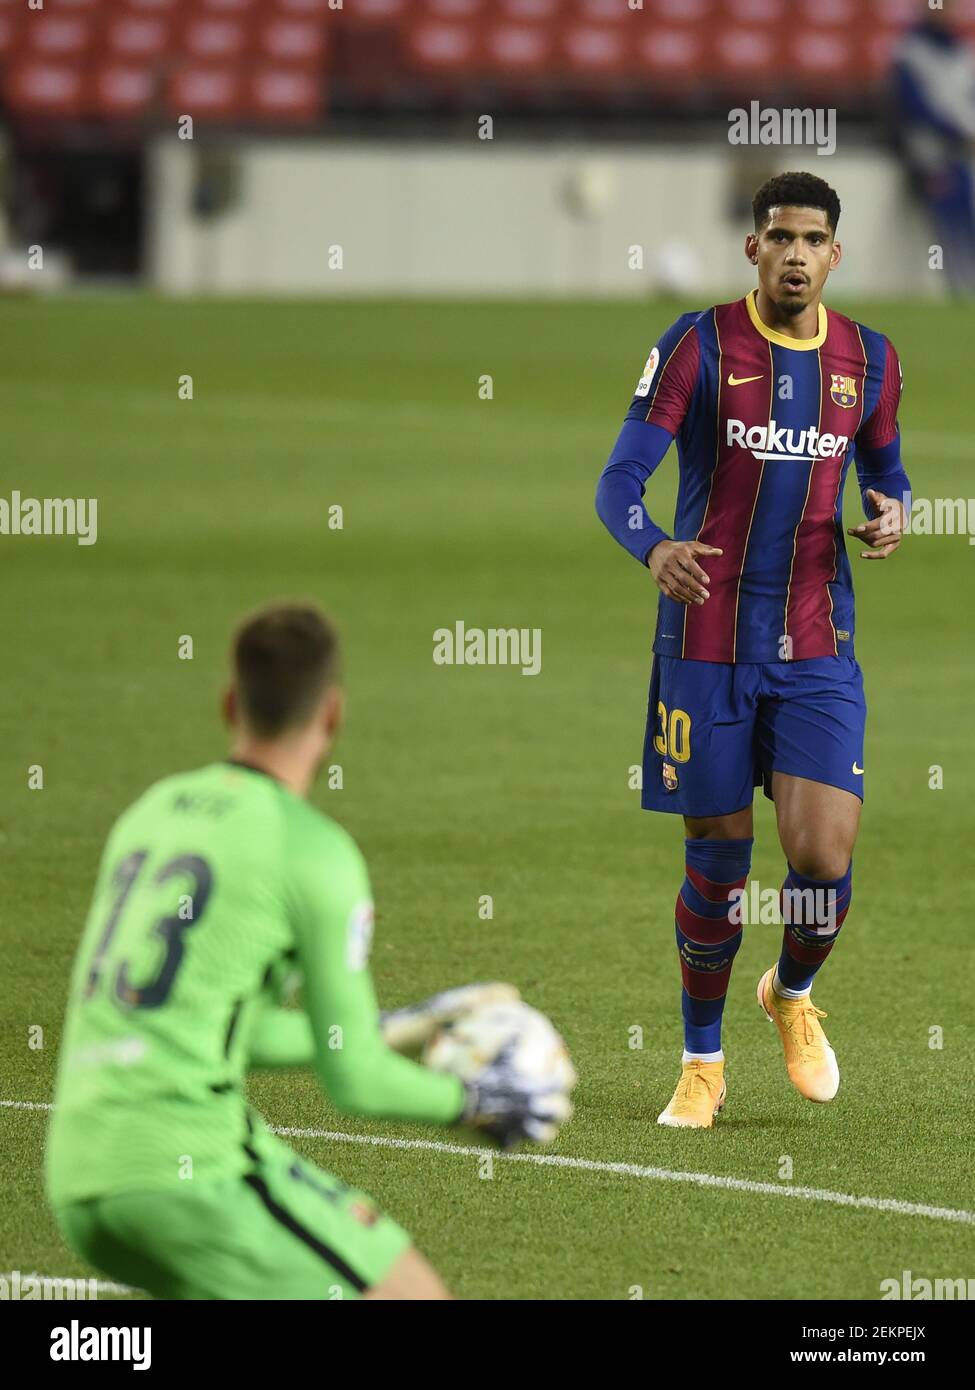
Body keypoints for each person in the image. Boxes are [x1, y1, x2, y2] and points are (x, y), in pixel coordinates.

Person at [46, 602, 559, 1297]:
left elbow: (232, 1026)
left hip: (80, 1177)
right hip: (185, 1170)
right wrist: (476, 1099)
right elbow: (356, 1082)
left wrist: (392, 1024)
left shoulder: (151, 813)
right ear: (333, 715)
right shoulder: (314, 853)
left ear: (229, 702)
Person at [595, 173, 911, 1128]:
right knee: (719, 862)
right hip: (706, 645)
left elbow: (887, 469)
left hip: (815, 642)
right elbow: (618, 482)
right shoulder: (695, 344)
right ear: (753, 249)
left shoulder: (870, 357)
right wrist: (653, 546)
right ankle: (701, 1062)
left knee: (821, 855)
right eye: (780, 237)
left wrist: (890, 510)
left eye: (814, 239)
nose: (796, 255)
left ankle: (791, 991)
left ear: (835, 255)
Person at [893, 3, 975, 295]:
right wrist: (958, 132)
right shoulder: (911, 51)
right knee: (947, 225)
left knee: (967, 221)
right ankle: (957, 289)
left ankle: (966, 288)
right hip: (930, 156)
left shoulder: (962, 51)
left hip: (963, 155)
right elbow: (915, 107)